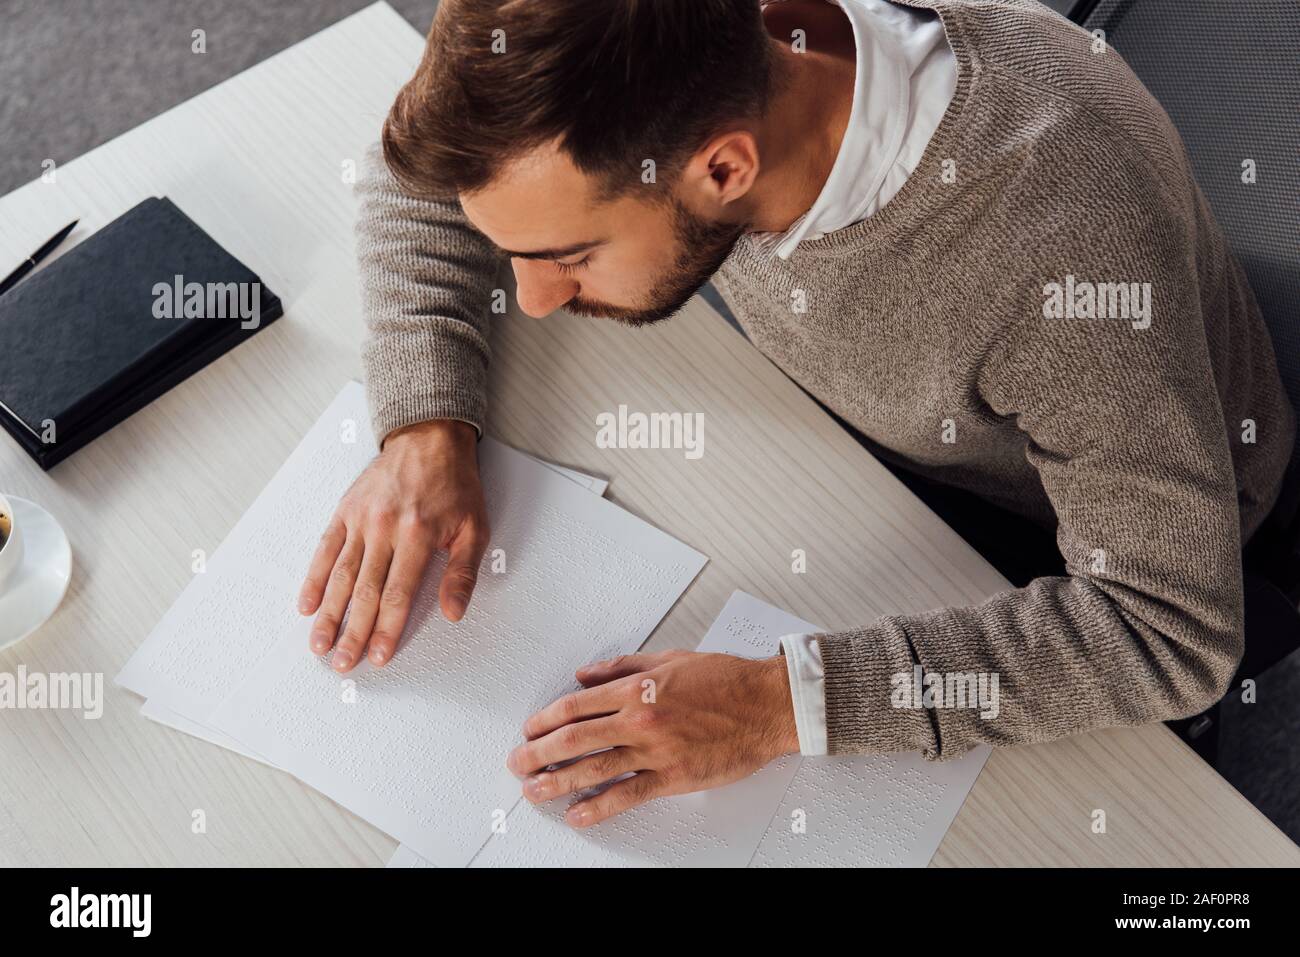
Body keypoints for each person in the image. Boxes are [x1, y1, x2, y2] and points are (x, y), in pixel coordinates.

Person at [296, 0, 1296, 828]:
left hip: (1069, 521)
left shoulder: (1056, 246)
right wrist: (426, 424)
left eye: (570, 254)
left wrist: (780, 706)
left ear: (725, 168)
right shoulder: (648, 66)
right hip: (860, 429)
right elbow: (432, 169)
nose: (540, 296)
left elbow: (1167, 628)